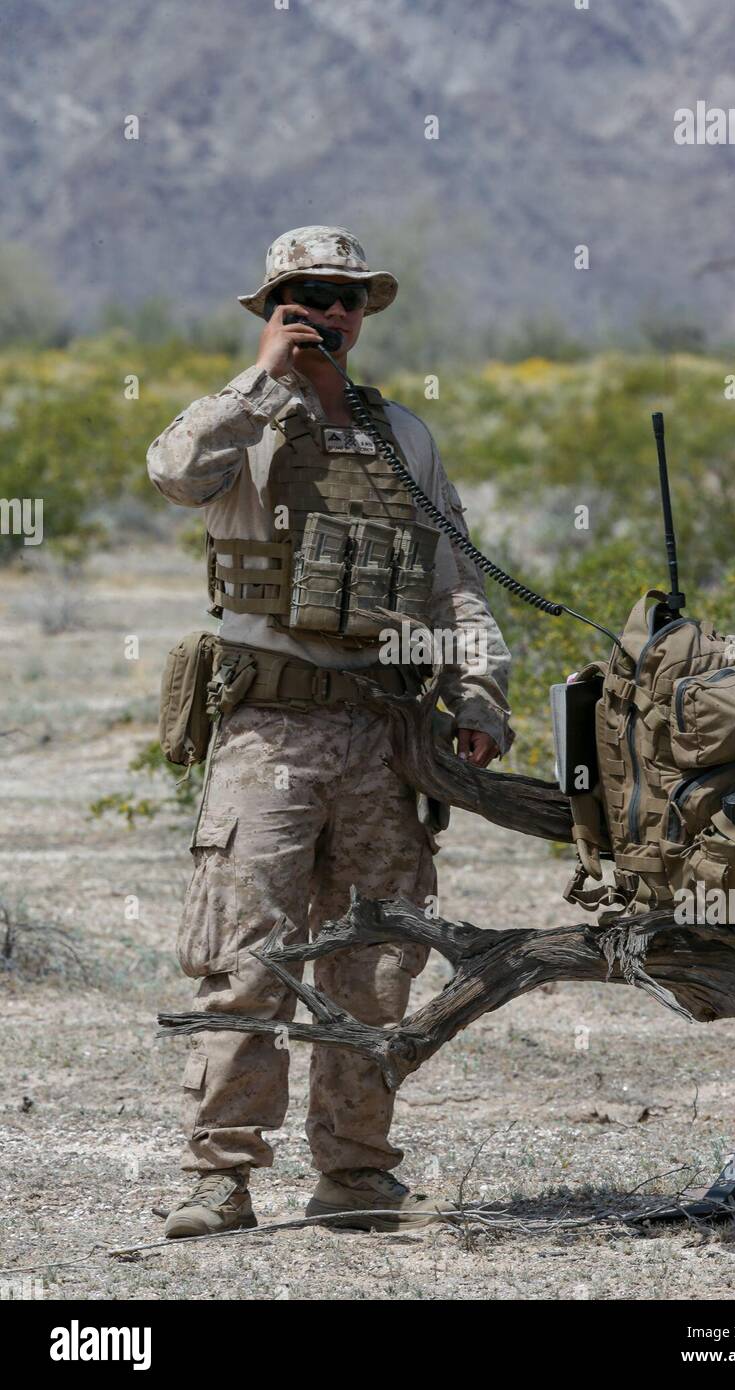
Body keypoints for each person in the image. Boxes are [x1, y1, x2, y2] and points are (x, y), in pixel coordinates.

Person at [147, 225, 514, 1235]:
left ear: (365, 314)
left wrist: (479, 693)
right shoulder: (237, 421)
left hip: (378, 734)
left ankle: (353, 1170)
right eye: (305, 295)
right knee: (249, 957)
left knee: (374, 960)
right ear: (271, 306)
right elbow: (175, 472)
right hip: (267, 732)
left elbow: (458, 583)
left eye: (346, 296)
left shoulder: (402, 435)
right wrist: (261, 380)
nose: (329, 311)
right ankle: (220, 1176)